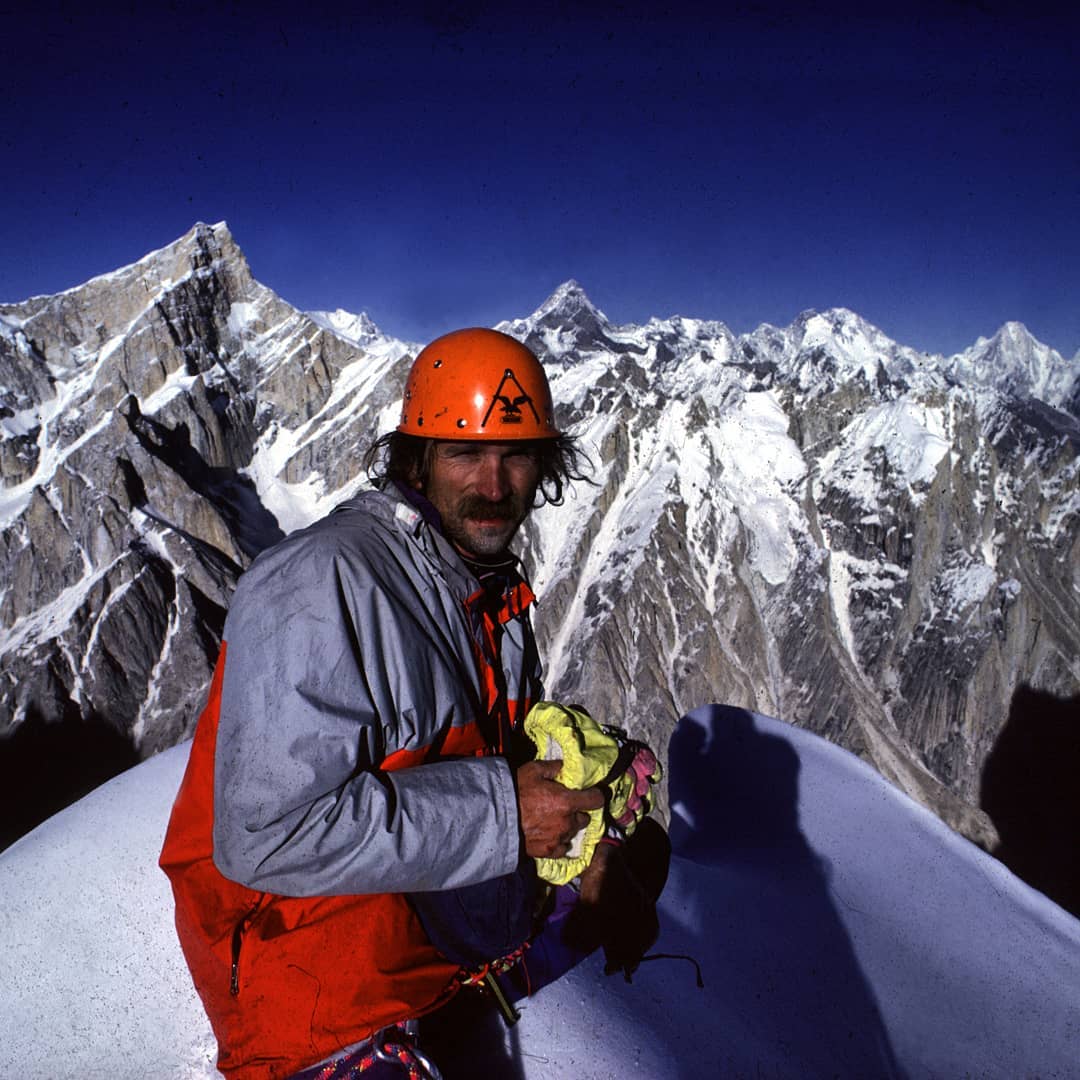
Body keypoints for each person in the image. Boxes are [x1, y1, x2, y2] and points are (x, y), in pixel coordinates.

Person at [160, 327, 667, 1080]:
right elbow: (263, 838)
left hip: (427, 927)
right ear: (415, 461)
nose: (494, 485)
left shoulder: (479, 582)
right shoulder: (322, 582)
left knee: (642, 857)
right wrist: (506, 814)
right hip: (309, 972)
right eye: (466, 453)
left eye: (517, 454)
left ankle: (482, 971)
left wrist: (584, 797)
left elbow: (467, 751)